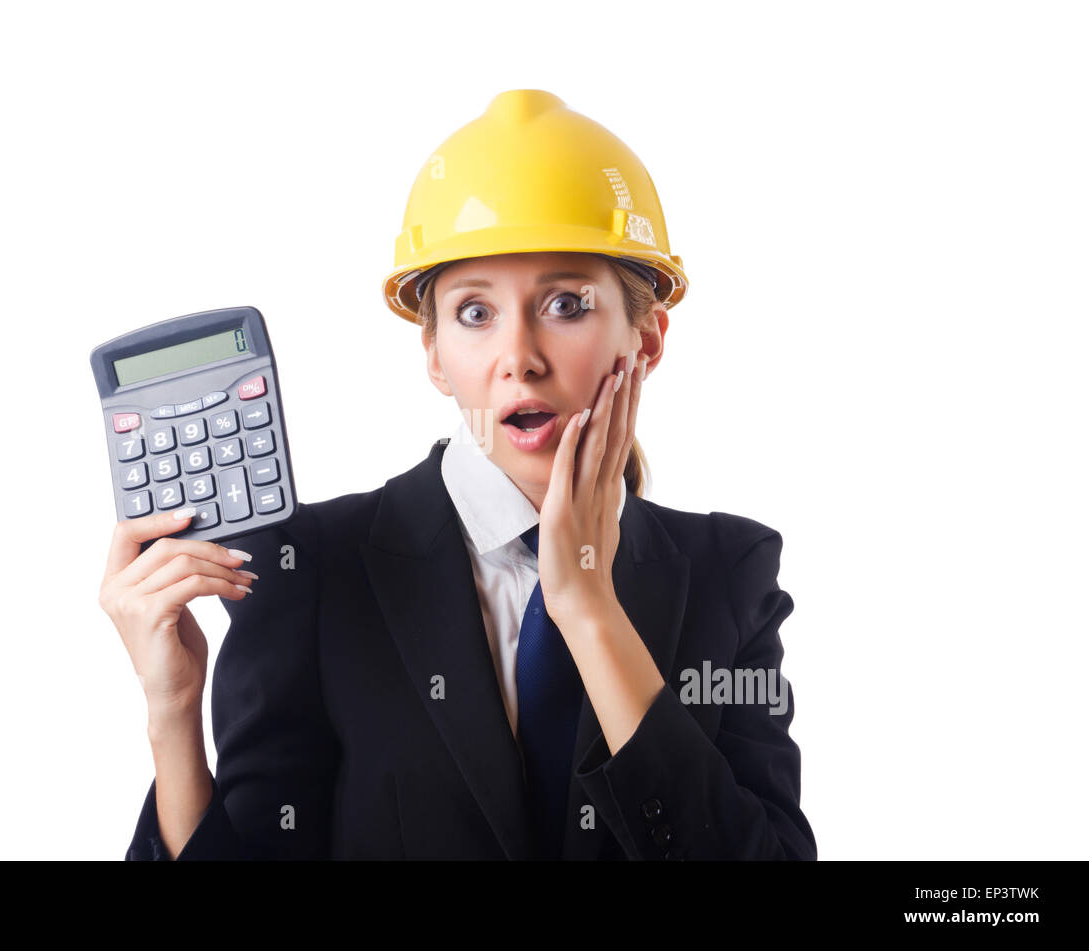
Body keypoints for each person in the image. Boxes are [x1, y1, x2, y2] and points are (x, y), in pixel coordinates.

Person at [101, 89, 816, 860]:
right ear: (435, 354)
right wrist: (172, 710)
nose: (520, 356)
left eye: (567, 303)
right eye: (476, 313)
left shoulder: (729, 577)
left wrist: (588, 609)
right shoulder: (312, 570)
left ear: (646, 338)